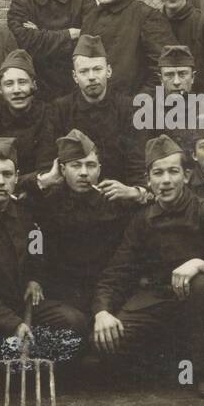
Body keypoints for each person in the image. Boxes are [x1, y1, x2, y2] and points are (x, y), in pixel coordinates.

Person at [90, 134, 204, 397]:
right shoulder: (142, 220)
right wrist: (102, 312)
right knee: (107, 342)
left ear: (186, 176)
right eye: (158, 173)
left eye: (173, 172)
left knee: (201, 285)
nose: (165, 180)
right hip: (160, 299)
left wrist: (202, 264)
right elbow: (116, 272)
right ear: (148, 180)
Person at [0, 138, 90, 378]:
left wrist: (35, 278)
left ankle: (35, 375)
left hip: (21, 301)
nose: (1, 182)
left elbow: (36, 250)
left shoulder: (24, 211)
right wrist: (13, 323)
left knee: (73, 321)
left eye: (7, 174)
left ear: (16, 177)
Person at [29, 129, 143, 328]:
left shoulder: (115, 202)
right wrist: (34, 278)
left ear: (99, 169)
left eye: (90, 165)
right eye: (75, 165)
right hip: (62, 293)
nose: (84, 173)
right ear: (62, 170)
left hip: (106, 291)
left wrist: (137, 192)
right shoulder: (47, 203)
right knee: (73, 322)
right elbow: (35, 245)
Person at [45, 34, 143, 186]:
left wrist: (133, 190)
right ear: (75, 76)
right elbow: (51, 162)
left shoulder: (129, 108)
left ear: (108, 71)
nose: (91, 77)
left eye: (97, 69)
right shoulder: (60, 110)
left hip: (118, 192)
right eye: (84, 71)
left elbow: (137, 162)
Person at [7, 0, 97, 101]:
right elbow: (25, 43)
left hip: (76, 93)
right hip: (36, 95)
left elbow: (89, 42)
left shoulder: (85, 1)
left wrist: (40, 34)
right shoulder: (22, 5)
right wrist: (70, 34)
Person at [82, 0, 174, 97]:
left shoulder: (146, 16)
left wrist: (137, 103)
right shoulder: (90, 19)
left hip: (136, 106)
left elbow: (164, 70)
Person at [0, 49, 52, 186]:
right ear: (0, 89)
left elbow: (47, 171)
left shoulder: (48, 115)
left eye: (22, 82)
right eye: (9, 84)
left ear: (34, 85)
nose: (16, 90)